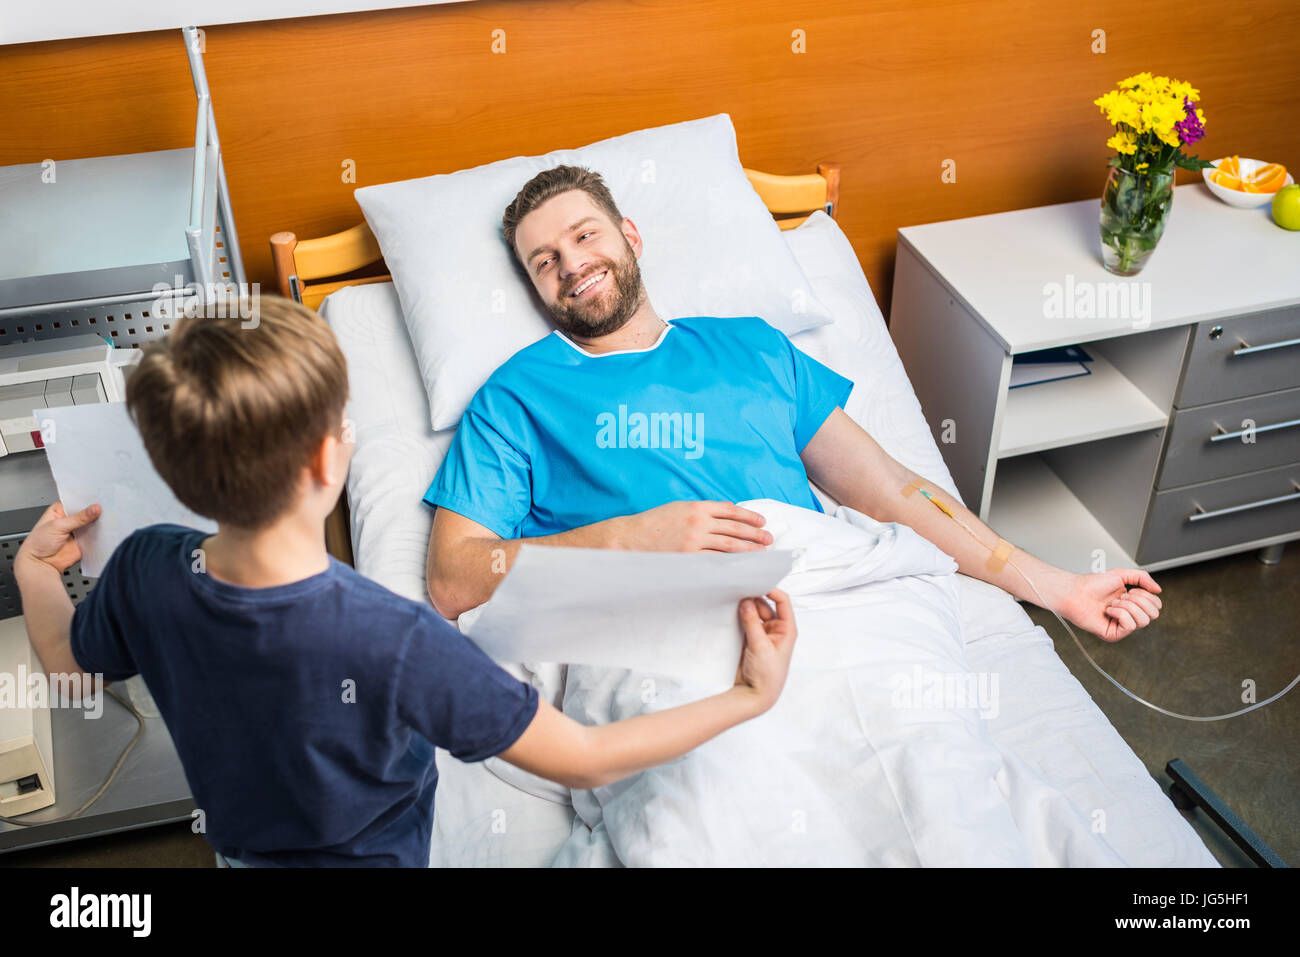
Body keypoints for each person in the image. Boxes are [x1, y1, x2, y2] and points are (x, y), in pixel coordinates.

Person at [14, 295, 797, 867]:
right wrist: (747, 696)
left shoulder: (149, 566)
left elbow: (69, 666)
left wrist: (32, 568)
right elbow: (583, 757)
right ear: (328, 461)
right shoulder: (392, 637)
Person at [424, 164, 1163, 638]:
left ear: (629, 235)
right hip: (662, 632)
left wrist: (1058, 586)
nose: (571, 265)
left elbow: (896, 492)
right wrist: (629, 538)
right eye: (543, 261)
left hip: (820, 601)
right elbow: (454, 579)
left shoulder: (751, 346)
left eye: (584, 236)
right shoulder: (515, 397)